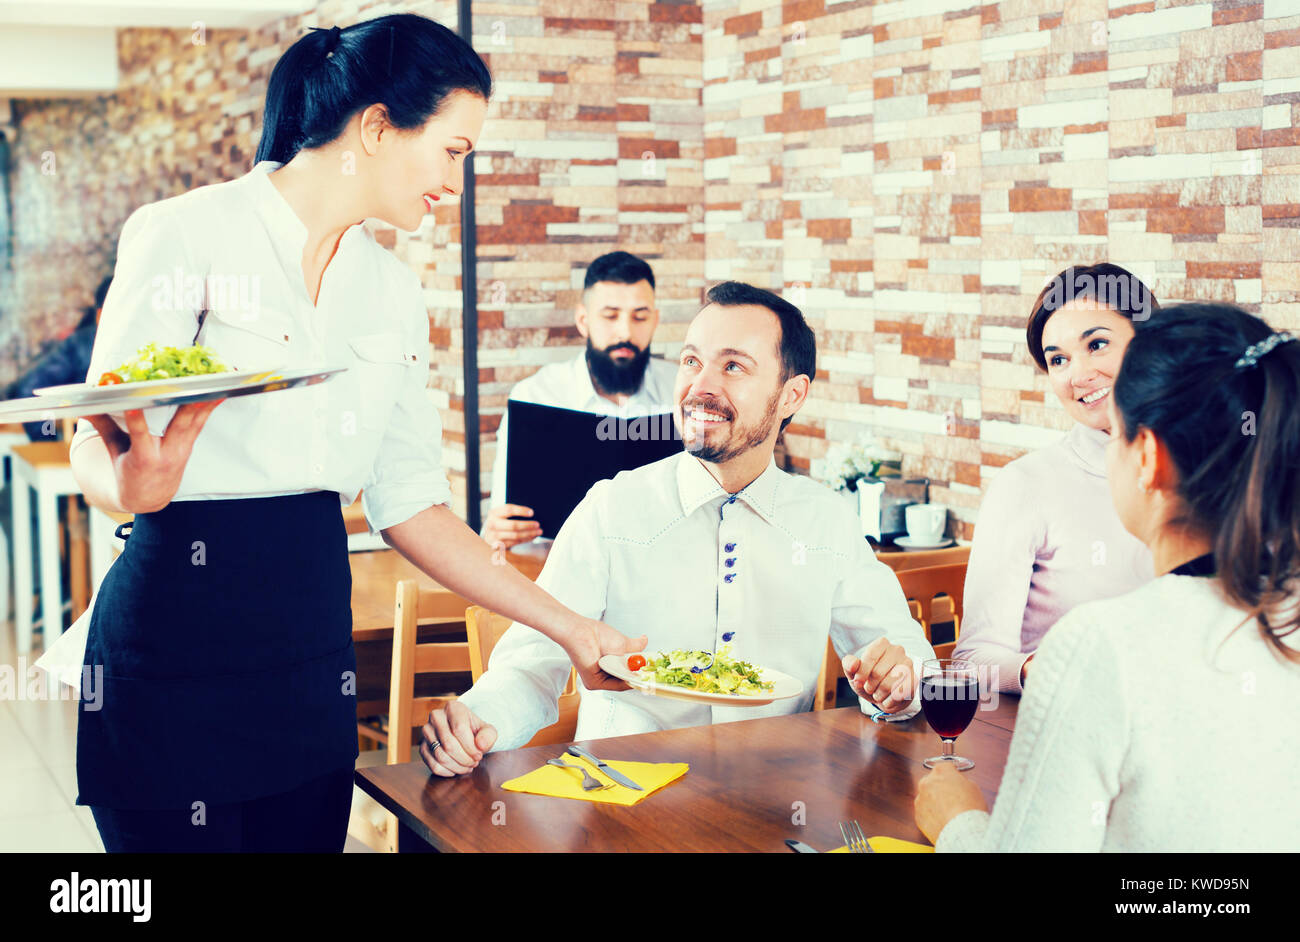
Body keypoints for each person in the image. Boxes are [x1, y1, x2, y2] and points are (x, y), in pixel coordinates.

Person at [68, 14, 643, 853]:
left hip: (309, 660)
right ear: (375, 126)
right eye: (452, 152)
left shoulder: (390, 289)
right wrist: (123, 487)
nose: (456, 181)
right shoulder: (186, 232)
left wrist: (572, 627)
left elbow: (411, 505)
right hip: (173, 640)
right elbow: (99, 430)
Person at [421, 281, 936, 776]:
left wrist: (898, 685)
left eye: (733, 366)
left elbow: (909, 664)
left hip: (779, 796)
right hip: (622, 797)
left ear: (791, 395)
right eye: (692, 361)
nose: (700, 387)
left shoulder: (827, 520)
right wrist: (478, 720)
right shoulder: (611, 508)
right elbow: (532, 666)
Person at [915, 302, 1300, 851]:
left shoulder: (1100, 644)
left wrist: (956, 818)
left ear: (1146, 457)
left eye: (1117, 433)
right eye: (1057, 358)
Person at [954, 263, 1157, 692]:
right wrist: (1036, 668)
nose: (1078, 376)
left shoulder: (1209, 469)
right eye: (1059, 360)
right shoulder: (1025, 485)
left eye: (1097, 344)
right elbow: (973, 660)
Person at [482, 250, 678, 549]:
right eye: (610, 316)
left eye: (640, 317)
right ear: (583, 321)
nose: (625, 331)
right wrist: (498, 533)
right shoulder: (536, 396)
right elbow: (503, 522)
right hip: (559, 573)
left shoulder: (684, 393)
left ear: (655, 321)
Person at [11, 276, 110, 440]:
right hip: (89, 447)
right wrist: (47, 437)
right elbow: (34, 392)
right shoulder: (79, 345)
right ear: (100, 316)